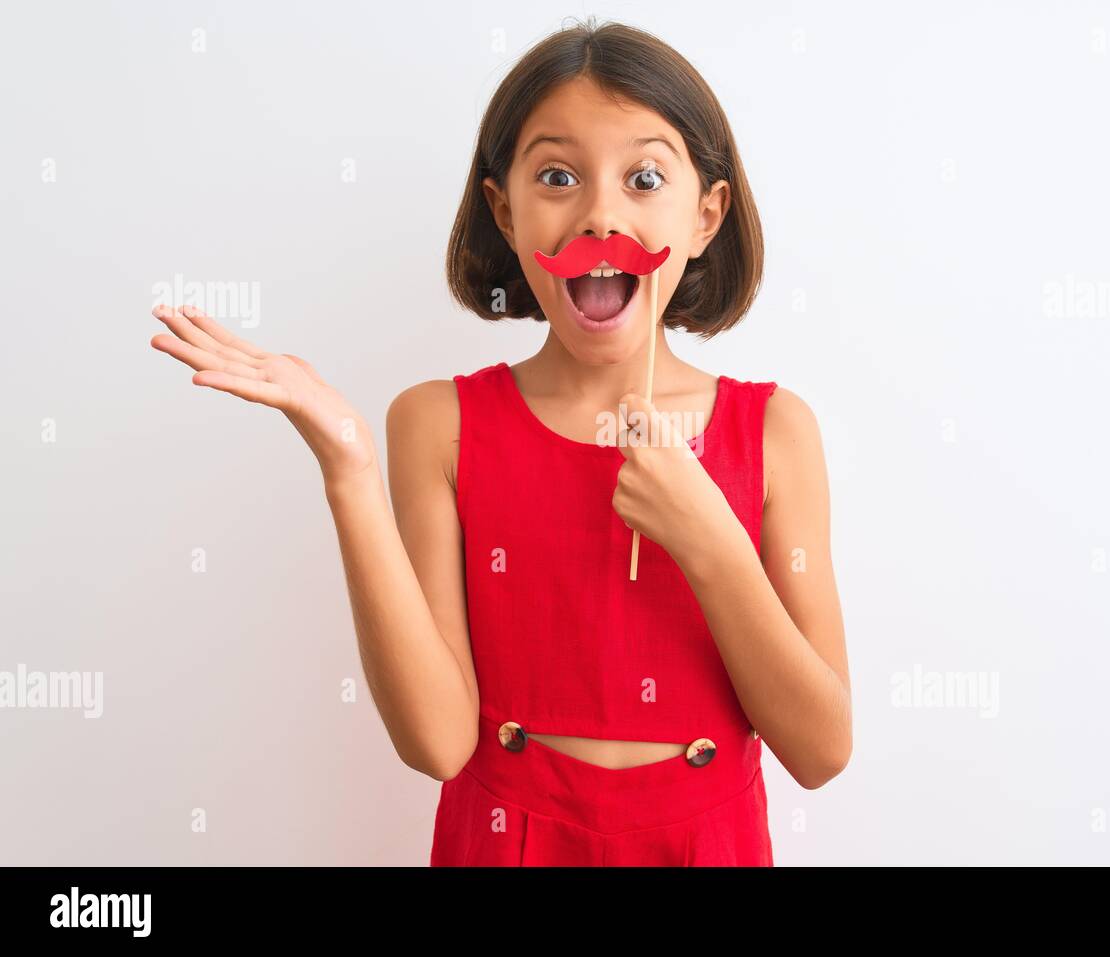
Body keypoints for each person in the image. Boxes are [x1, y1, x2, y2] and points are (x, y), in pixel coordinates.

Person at [149, 18, 850, 867]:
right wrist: (348, 466)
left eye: (644, 177)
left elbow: (821, 749)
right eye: (557, 175)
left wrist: (710, 542)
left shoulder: (775, 431)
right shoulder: (438, 424)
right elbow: (438, 744)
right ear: (503, 208)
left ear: (706, 215)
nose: (600, 211)